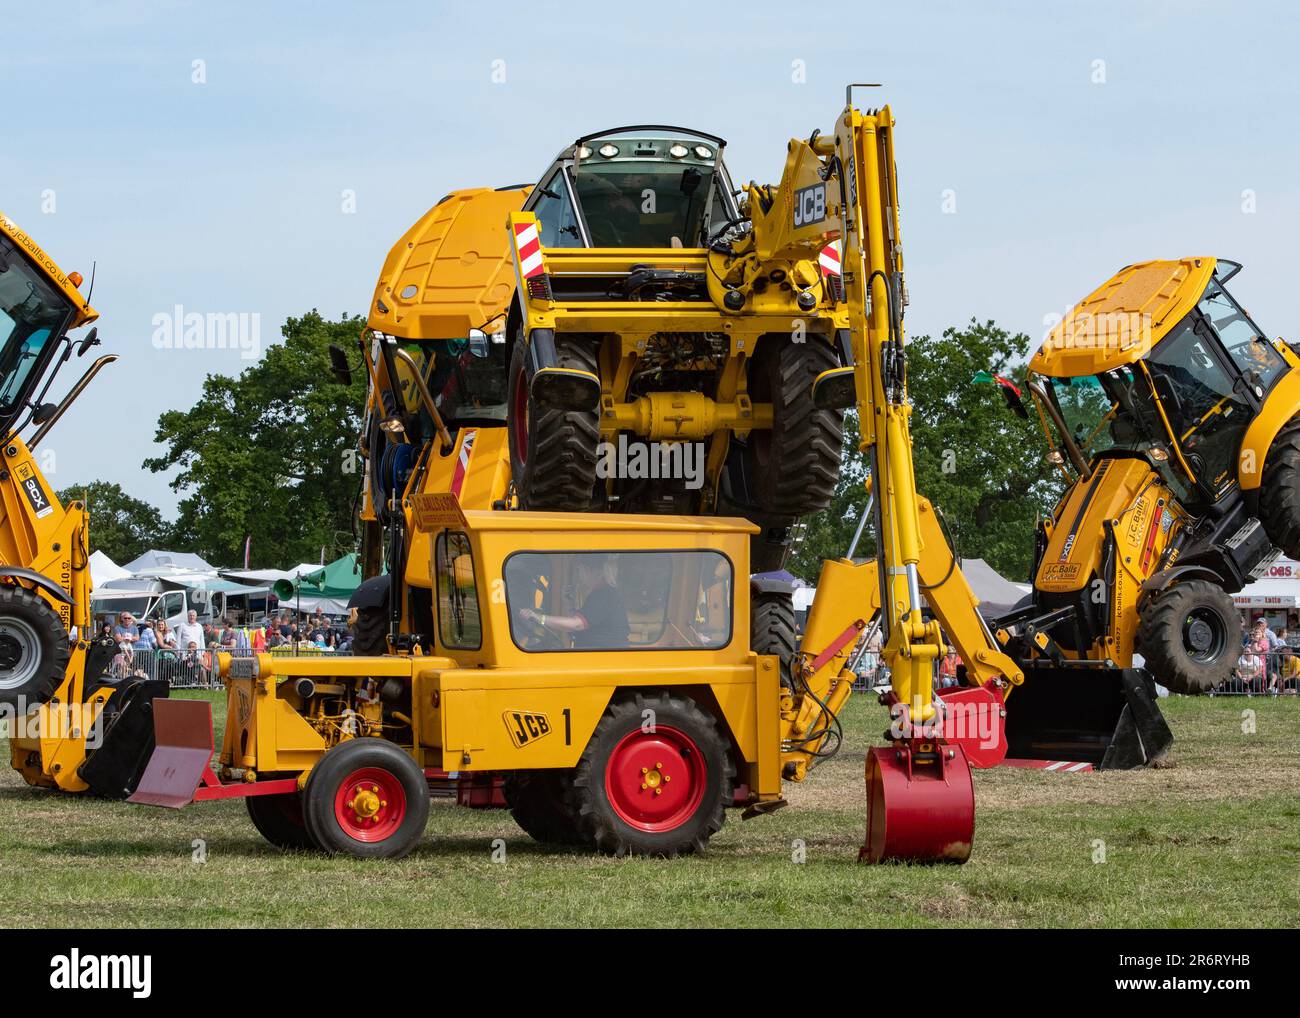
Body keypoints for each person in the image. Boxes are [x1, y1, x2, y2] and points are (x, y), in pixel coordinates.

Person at [518, 555, 629, 648]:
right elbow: (582, 621)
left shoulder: (604, 595)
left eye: (581, 571)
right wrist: (569, 604)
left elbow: (576, 624)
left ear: (596, 573)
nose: (579, 576)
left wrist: (538, 618)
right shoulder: (601, 594)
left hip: (603, 659)